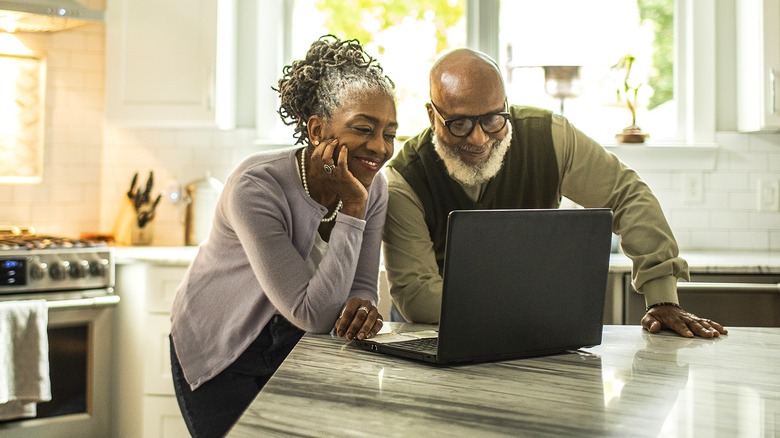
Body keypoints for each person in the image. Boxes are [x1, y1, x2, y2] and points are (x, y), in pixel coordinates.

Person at [382, 48, 727, 339]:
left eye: (493, 119)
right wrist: (540, 303)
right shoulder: (403, 179)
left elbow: (627, 195)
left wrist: (662, 297)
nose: (479, 139)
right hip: (432, 338)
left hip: (532, 334)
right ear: (432, 115)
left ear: (506, 105)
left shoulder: (550, 138)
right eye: (459, 124)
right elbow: (418, 296)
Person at [169, 35, 398, 437]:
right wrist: (353, 209)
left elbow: (362, 287)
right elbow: (314, 314)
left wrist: (363, 307)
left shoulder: (373, 186)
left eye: (390, 133)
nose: (379, 147)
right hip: (221, 345)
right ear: (316, 129)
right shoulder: (256, 187)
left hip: (294, 345)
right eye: (364, 129)